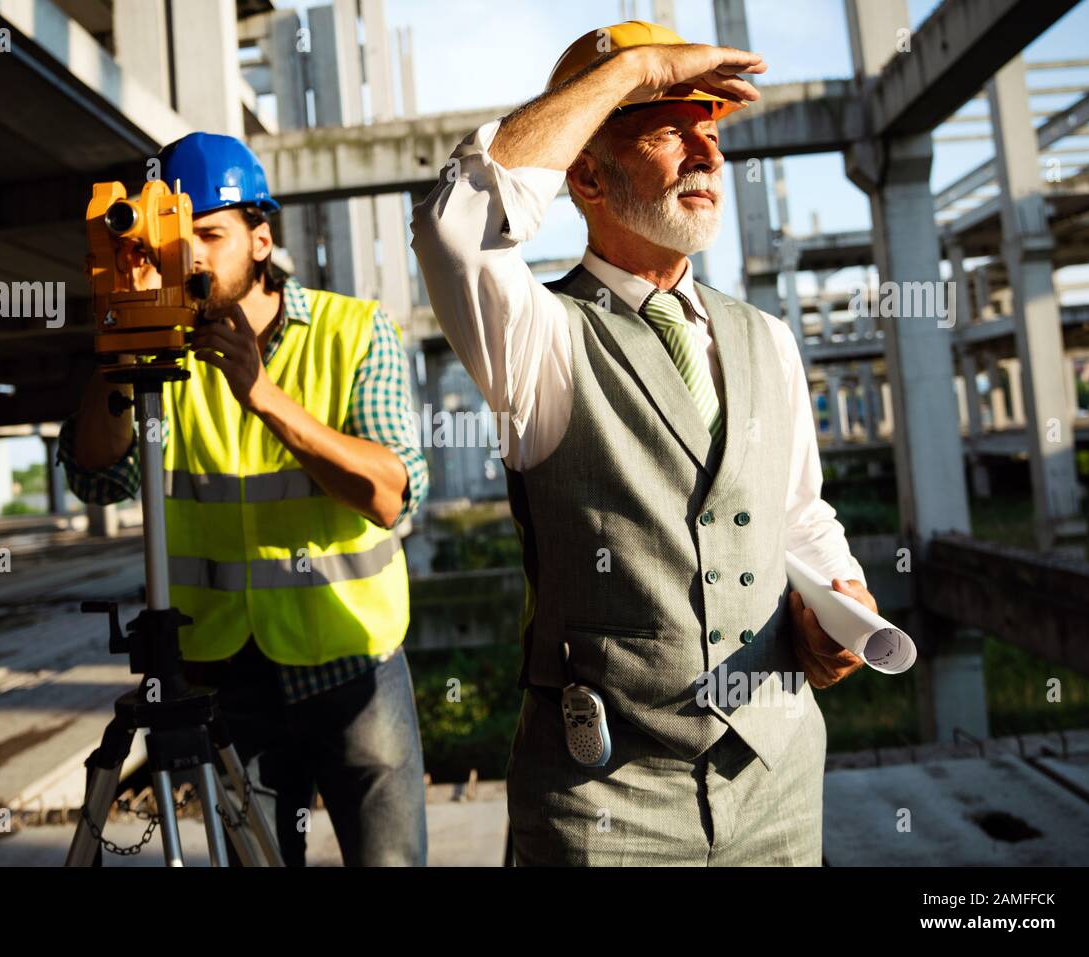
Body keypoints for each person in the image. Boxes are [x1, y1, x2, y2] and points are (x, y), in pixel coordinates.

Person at [410, 20, 879, 865]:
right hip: (604, 798)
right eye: (668, 129)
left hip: (777, 778)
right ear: (585, 172)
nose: (708, 155)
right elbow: (455, 228)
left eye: (711, 132)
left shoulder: (766, 336)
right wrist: (636, 70)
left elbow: (797, 514)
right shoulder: (539, 336)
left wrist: (838, 603)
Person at [59, 132, 430, 866]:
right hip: (224, 680)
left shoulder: (354, 332)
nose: (189, 255)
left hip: (352, 662)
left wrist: (263, 396)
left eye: (210, 233)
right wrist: (116, 357)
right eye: (175, 236)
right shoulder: (156, 357)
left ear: (261, 239)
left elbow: (392, 495)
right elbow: (97, 478)